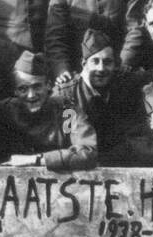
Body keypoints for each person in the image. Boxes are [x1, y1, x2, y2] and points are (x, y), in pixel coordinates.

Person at [0, 51, 97, 171]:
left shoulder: (66, 112)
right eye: (23, 89)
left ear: (48, 85)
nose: (31, 96)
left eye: (37, 87)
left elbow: (87, 152)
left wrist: (35, 160)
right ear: (15, 91)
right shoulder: (5, 111)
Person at [55, 28, 145, 165]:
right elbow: (65, 138)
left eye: (107, 62)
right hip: (72, 165)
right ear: (84, 64)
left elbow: (131, 136)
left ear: (115, 65)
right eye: (95, 61)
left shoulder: (122, 89)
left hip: (115, 165)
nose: (101, 69)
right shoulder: (67, 94)